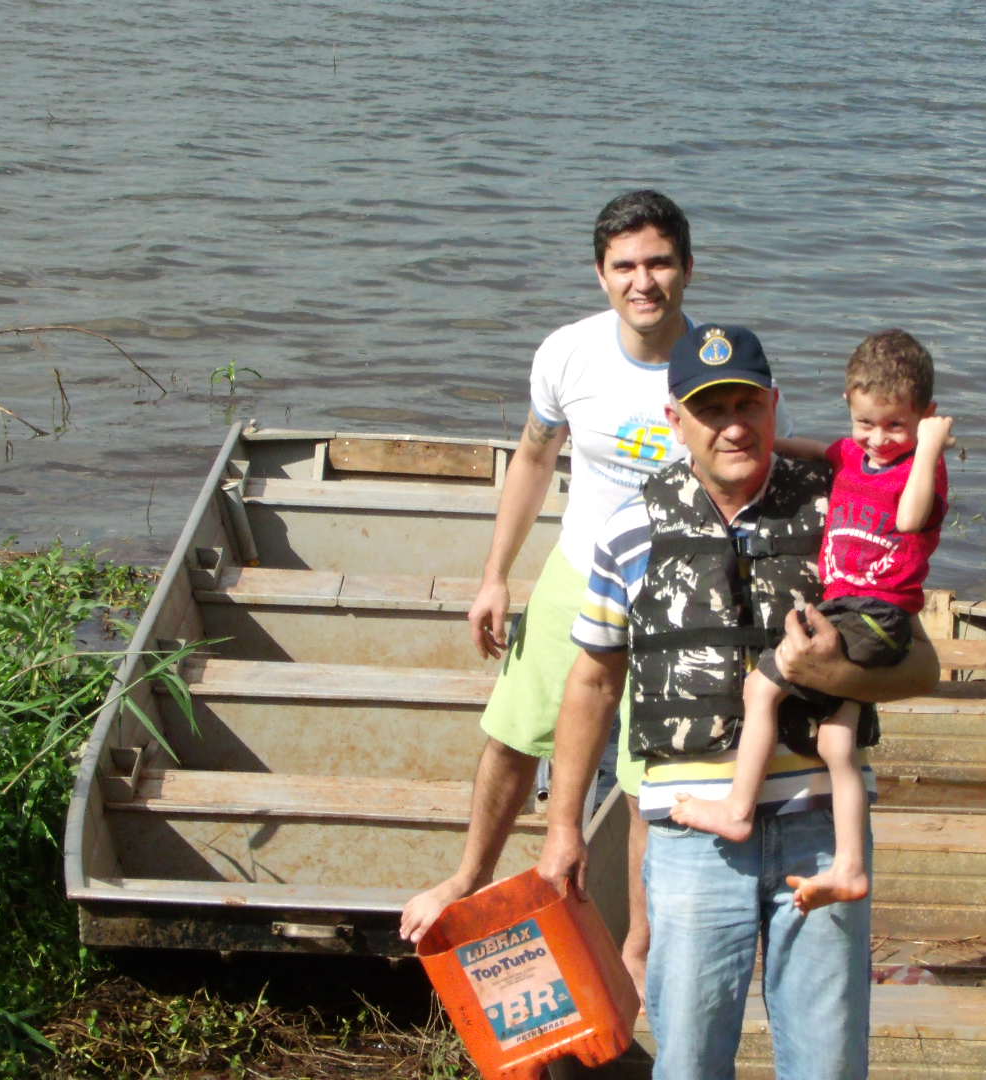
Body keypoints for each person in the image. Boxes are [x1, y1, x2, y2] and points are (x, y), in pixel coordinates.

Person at [536, 323, 940, 1078]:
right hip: (691, 846)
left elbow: (922, 667)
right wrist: (565, 827)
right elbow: (592, 680)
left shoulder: (843, 513)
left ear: (775, 407)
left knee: (826, 1064)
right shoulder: (628, 528)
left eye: (747, 404)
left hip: (819, 831)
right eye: (710, 407)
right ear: (674, 420)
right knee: (687, 1061)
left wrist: (835, 675)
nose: (732, 425)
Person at [397, 191, 696, 986]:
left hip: (673, 595)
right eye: (625, 265)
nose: (644, 281)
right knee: (510, 735)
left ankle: (636, 949)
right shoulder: (568, 353)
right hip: (578, 570)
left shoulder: (713, 362)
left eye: (659, 262)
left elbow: (748, 471)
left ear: (688, 269)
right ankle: (469, 875)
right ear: (600, 274)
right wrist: (495, 576)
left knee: (645, 781)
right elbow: (534, 458)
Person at [669, 329, 951, 914]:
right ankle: (849, 866)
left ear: (924, 417)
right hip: (851, 610)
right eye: (865, 424)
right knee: (837, 742)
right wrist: (766, 451)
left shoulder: (918, 470)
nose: (877, 440)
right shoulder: (855, 455)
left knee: (760, 685)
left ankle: (737, 809)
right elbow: (817, 451)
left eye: (895, 426)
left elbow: (911, 514)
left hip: (873, 612)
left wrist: (926, 448)